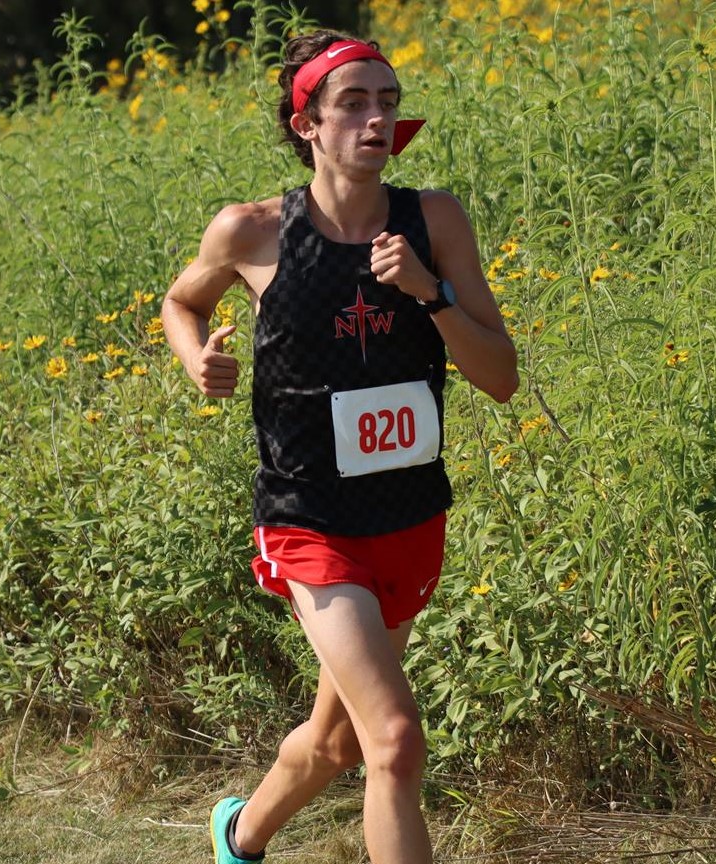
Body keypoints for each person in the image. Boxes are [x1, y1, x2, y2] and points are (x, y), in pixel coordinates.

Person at [159, 29, 520, 864]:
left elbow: (500, 376)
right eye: (352, 103)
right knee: (395, 738)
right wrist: (197, 359)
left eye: (388, 102)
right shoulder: (252, 232)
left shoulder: (433, 221)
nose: (376, 119)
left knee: (340, 743)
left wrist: (429, 294)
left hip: (407, 513)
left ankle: (238, 836)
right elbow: (184, 303)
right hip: (307, 516)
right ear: (306, 125)